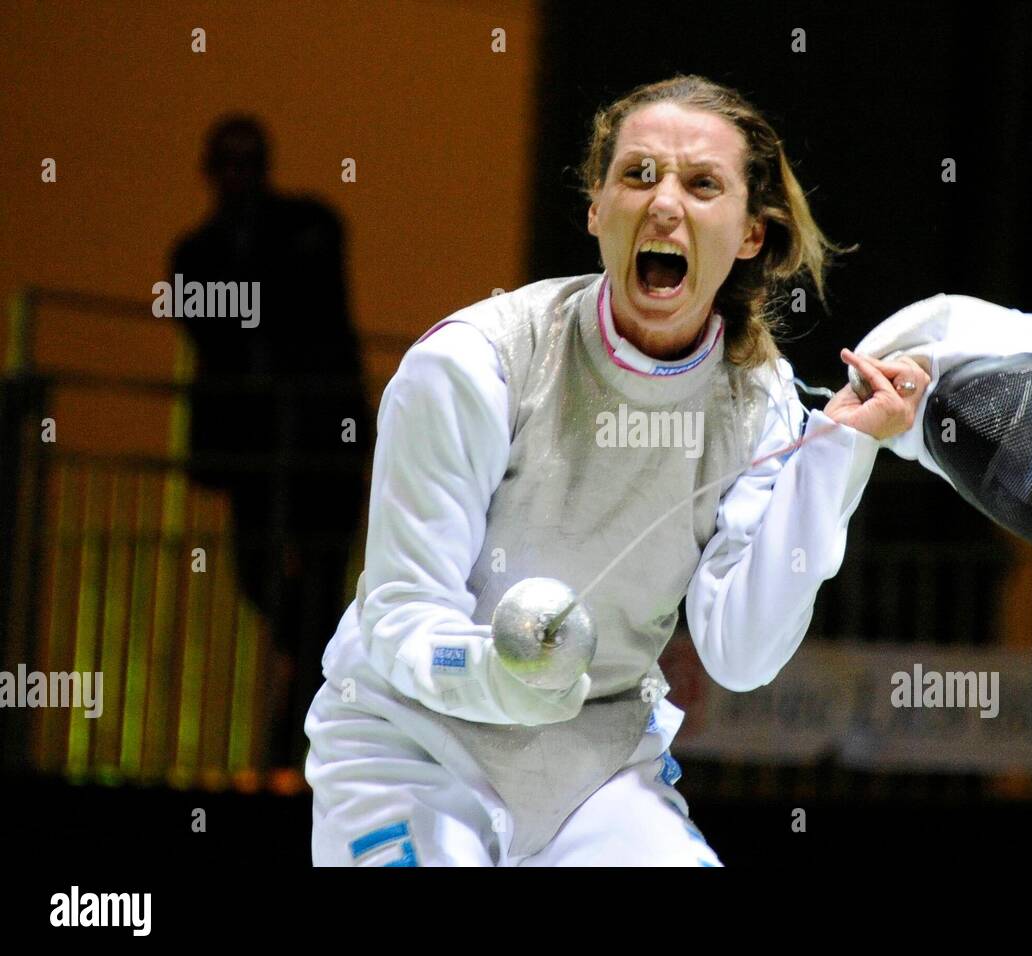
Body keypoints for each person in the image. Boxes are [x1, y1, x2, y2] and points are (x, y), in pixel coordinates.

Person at [304, 75, 930, 866]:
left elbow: (741, 651)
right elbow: (398, 623)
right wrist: (505, 678)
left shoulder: (760, 399)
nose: (665, 202)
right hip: (411, 751)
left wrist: (839, 454)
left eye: (703, 185)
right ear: (598, 209)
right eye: (638, 175)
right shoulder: (473, 364)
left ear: (750, 234)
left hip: (593, 773)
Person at [169, 115, 372, 769]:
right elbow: (216, 331)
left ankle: (297, 729)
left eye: (248, 163)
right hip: (258, 448)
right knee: (264, 576)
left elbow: (300, 310)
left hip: (320, 444)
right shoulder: (198, 253)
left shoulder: (306, 227)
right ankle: (315, 704)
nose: (239, 178)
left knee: (316, 579)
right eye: (228, 164)